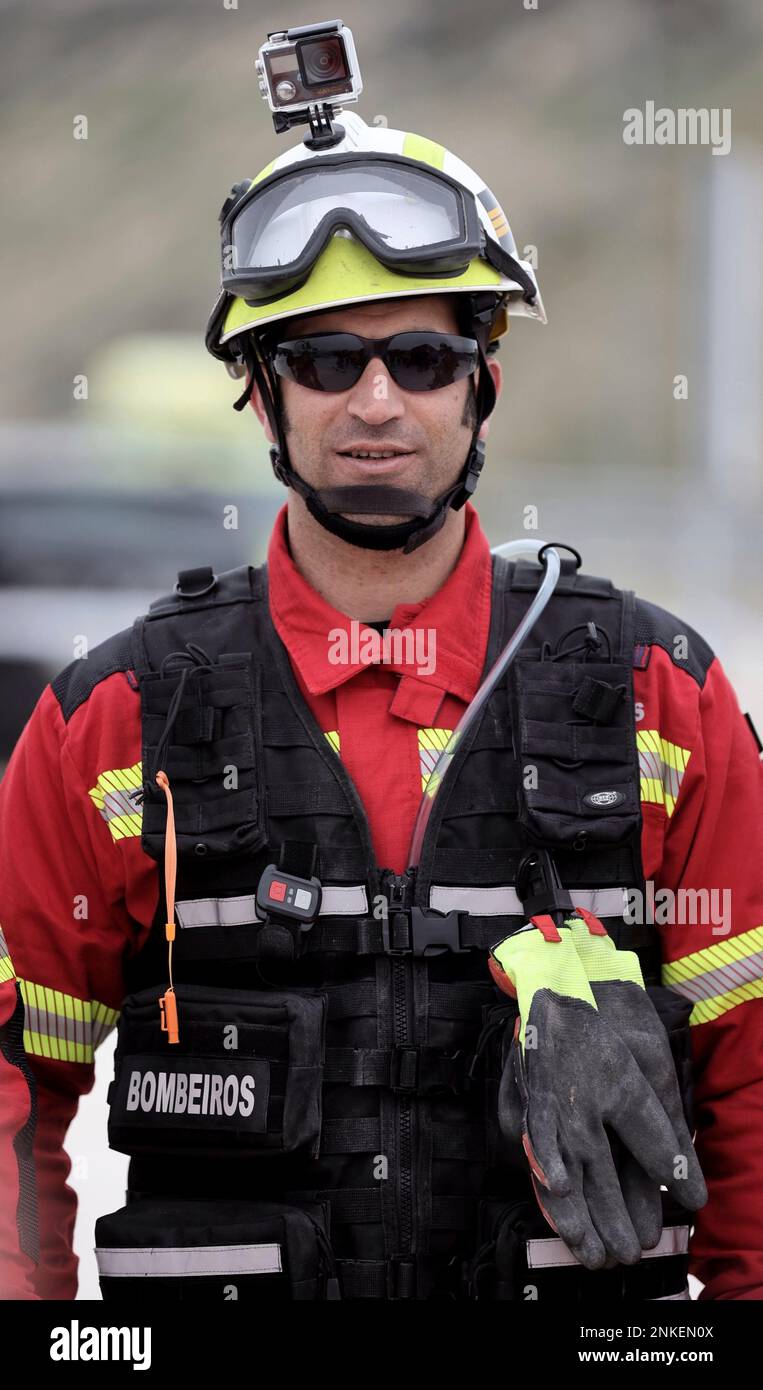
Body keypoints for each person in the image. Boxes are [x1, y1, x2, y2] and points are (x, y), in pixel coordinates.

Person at [1, 96, 762, 1304]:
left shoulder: (657, 697)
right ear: (260, 390)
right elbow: (13, 1096)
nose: (372, 403)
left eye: (420, 358)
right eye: (321, 358)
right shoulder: (113, 721)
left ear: (482, 387)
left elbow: (752, 1082)